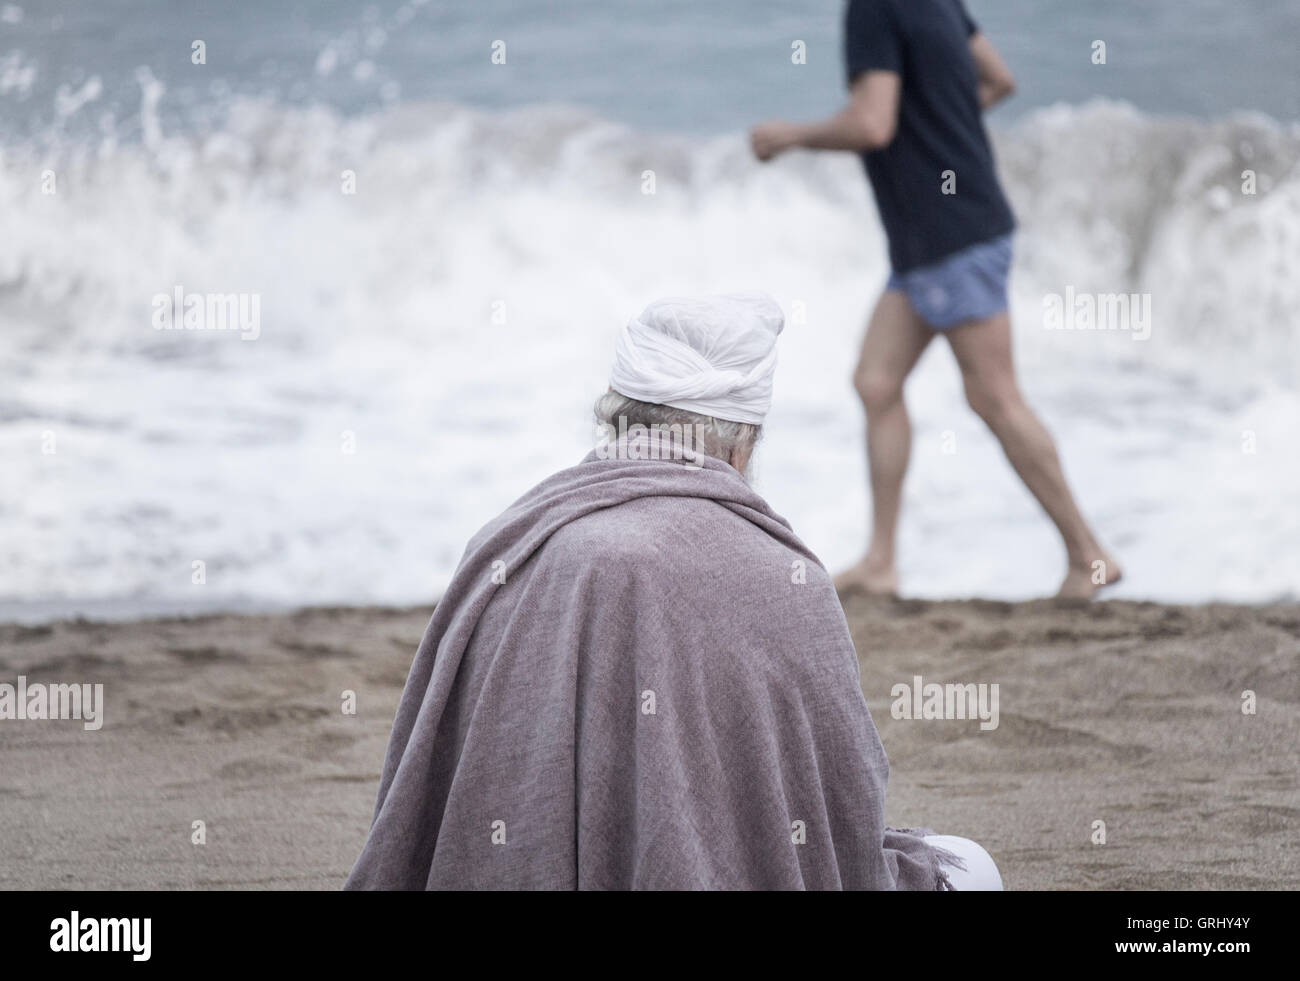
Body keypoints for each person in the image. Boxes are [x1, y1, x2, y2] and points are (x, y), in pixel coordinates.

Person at [344, 293, 1001, 890]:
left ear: (619, 420)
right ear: (743, 443)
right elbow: (848, 800)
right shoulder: (783, 576)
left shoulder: (509, 539)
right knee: (972, 864)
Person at [750, 0, 1119, 598]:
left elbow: (872, 125)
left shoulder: (871, 9)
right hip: (940, 239)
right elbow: (1000, 81)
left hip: (949, 238)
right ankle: (880, 563)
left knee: (995, 397)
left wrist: (788, 135)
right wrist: (940, 136)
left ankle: (1088, 553)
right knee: (876, 381)